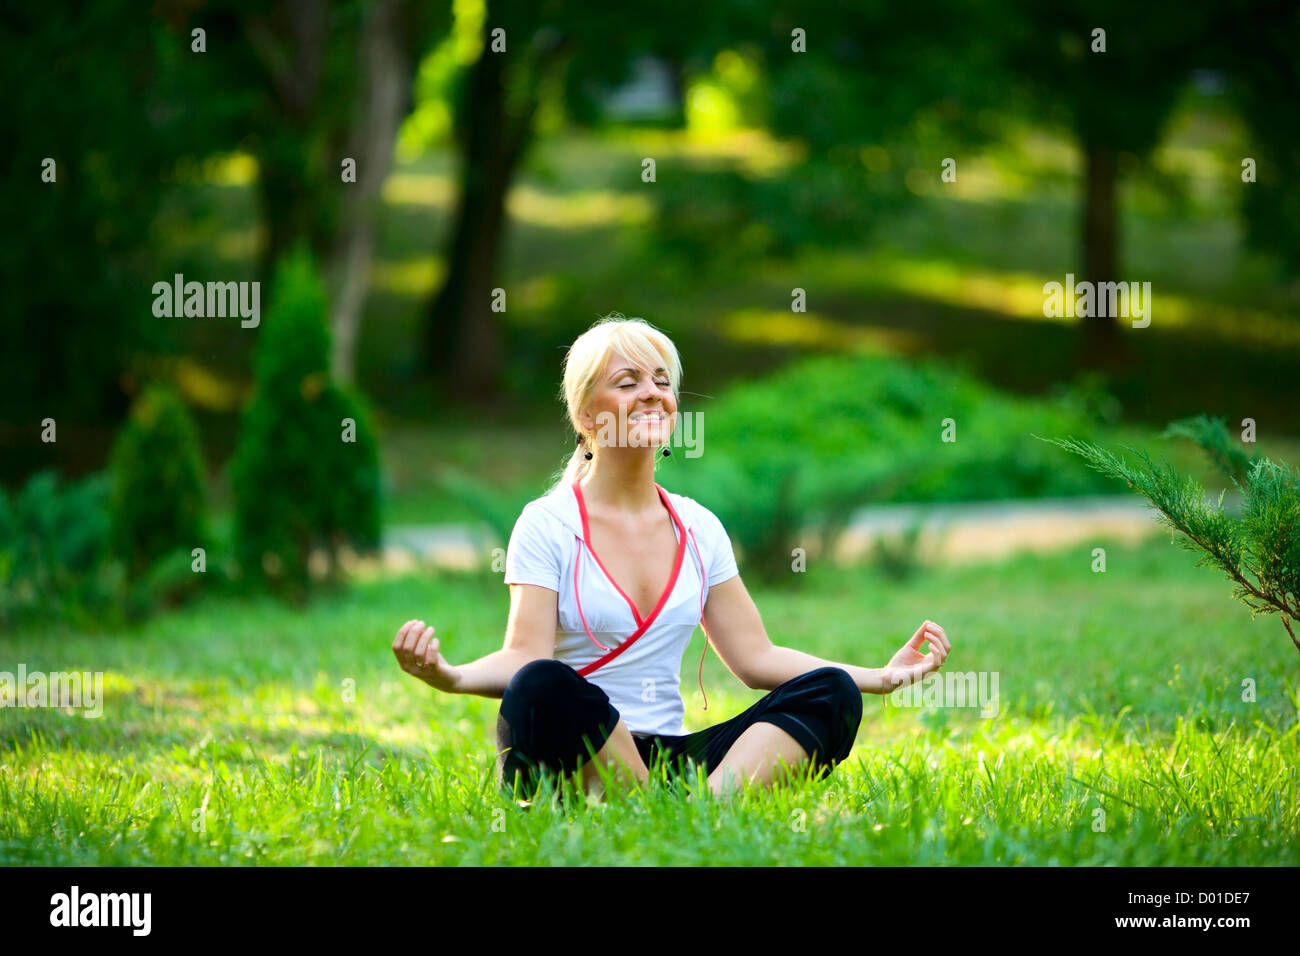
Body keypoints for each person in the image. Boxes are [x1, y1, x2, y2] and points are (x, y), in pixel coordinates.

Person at [392, 314, 952, 803]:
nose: (652, 393)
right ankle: (650, 806)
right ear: (587, 415)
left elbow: (756, 656)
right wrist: (452, 676)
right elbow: (523, 657)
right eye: (628, 381)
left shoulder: (698, 526)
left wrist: (878, 677)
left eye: (662, 381)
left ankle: (696, 808)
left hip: (673, 762)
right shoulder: (548, 524)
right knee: (544, 683)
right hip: (576, 747)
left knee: (830, 693)